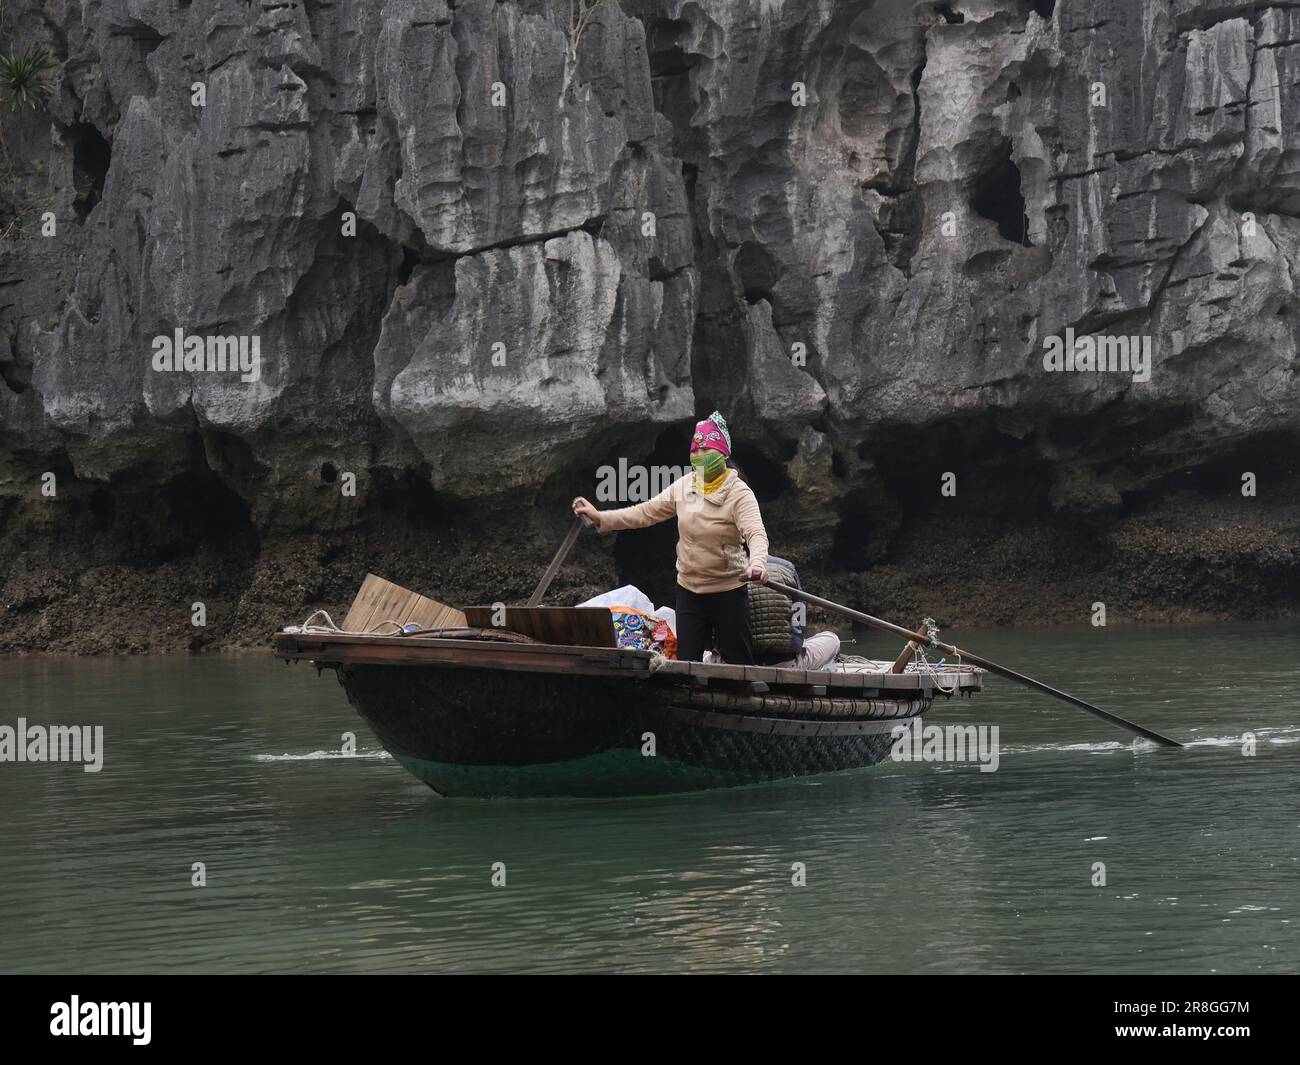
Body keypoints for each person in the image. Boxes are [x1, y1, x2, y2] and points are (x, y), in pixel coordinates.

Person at [572, 411, 768, 663]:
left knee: (738, 662)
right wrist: (601, 517)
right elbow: (645, 513)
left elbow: (755, 533)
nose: (698, 456)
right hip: (689, 589)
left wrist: (758, 562)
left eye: (705, 450)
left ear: (722, 454)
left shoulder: (739, 493)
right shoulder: (685, 486)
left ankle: (742, 699)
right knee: (686, 663)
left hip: (728, 589)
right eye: (694, 451)